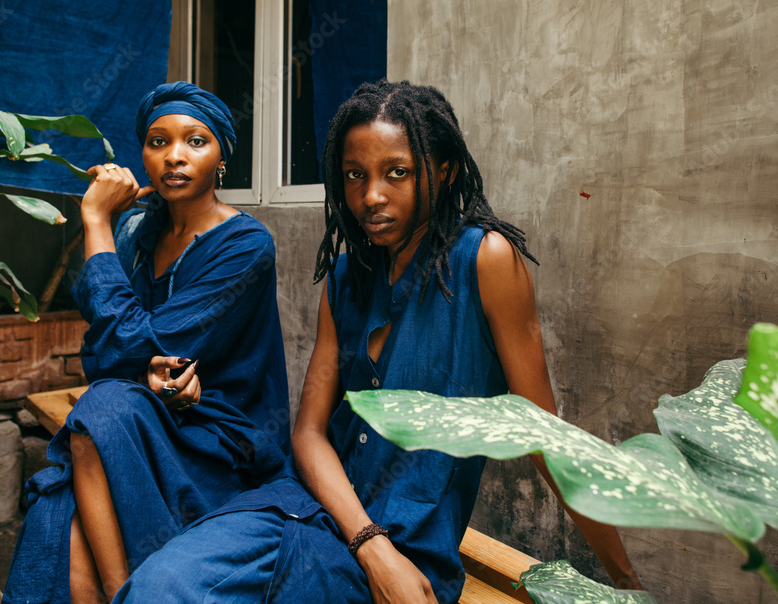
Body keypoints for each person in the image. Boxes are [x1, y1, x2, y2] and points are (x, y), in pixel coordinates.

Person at [115, 80, 641, 603]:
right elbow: (309, 435)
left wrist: (629, 584)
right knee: (156, 587)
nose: (371, 196)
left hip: (409, 553)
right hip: (311, 511)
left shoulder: (486, 260)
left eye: (397, 173)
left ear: (443, 171)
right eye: (354, 176)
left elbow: (550, 440)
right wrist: (368, 544)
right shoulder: (345, 276)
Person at [3, 82, 291, 604]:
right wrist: (139, 370)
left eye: (196, 141)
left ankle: (126, 595)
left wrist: (95, 220)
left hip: (217, 438)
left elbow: (129, 348)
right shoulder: (138, 229)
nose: (174, 157)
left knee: (100, 411)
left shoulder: (247, 245)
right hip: (142, 414)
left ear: (222, 154)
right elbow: (106, 356)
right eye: (158, 142)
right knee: (57, 520)